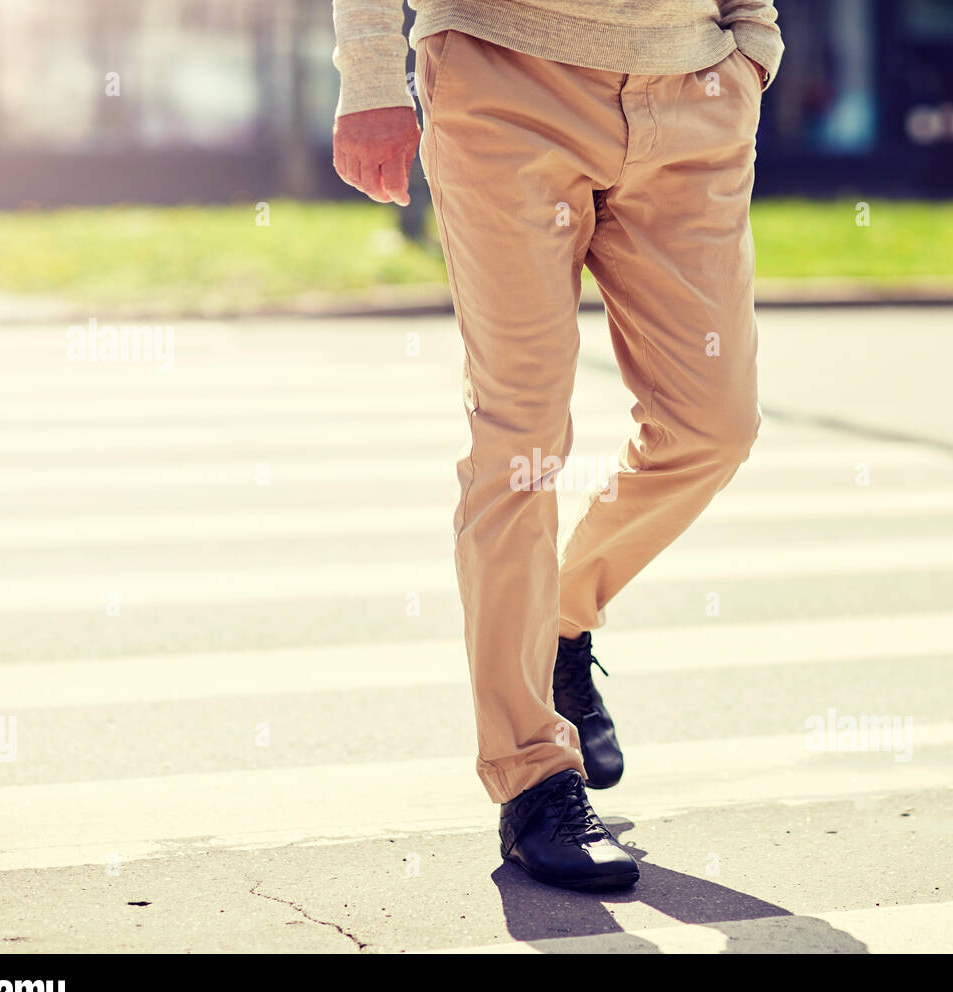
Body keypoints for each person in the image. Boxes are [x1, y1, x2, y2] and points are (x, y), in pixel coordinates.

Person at [332, 1, 782, 891]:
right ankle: (533, 777)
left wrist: (751, 45)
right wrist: (372, 78)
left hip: (693, 87)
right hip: (505, 75)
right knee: (522, 437)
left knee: (713, 426)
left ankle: (562, 615)